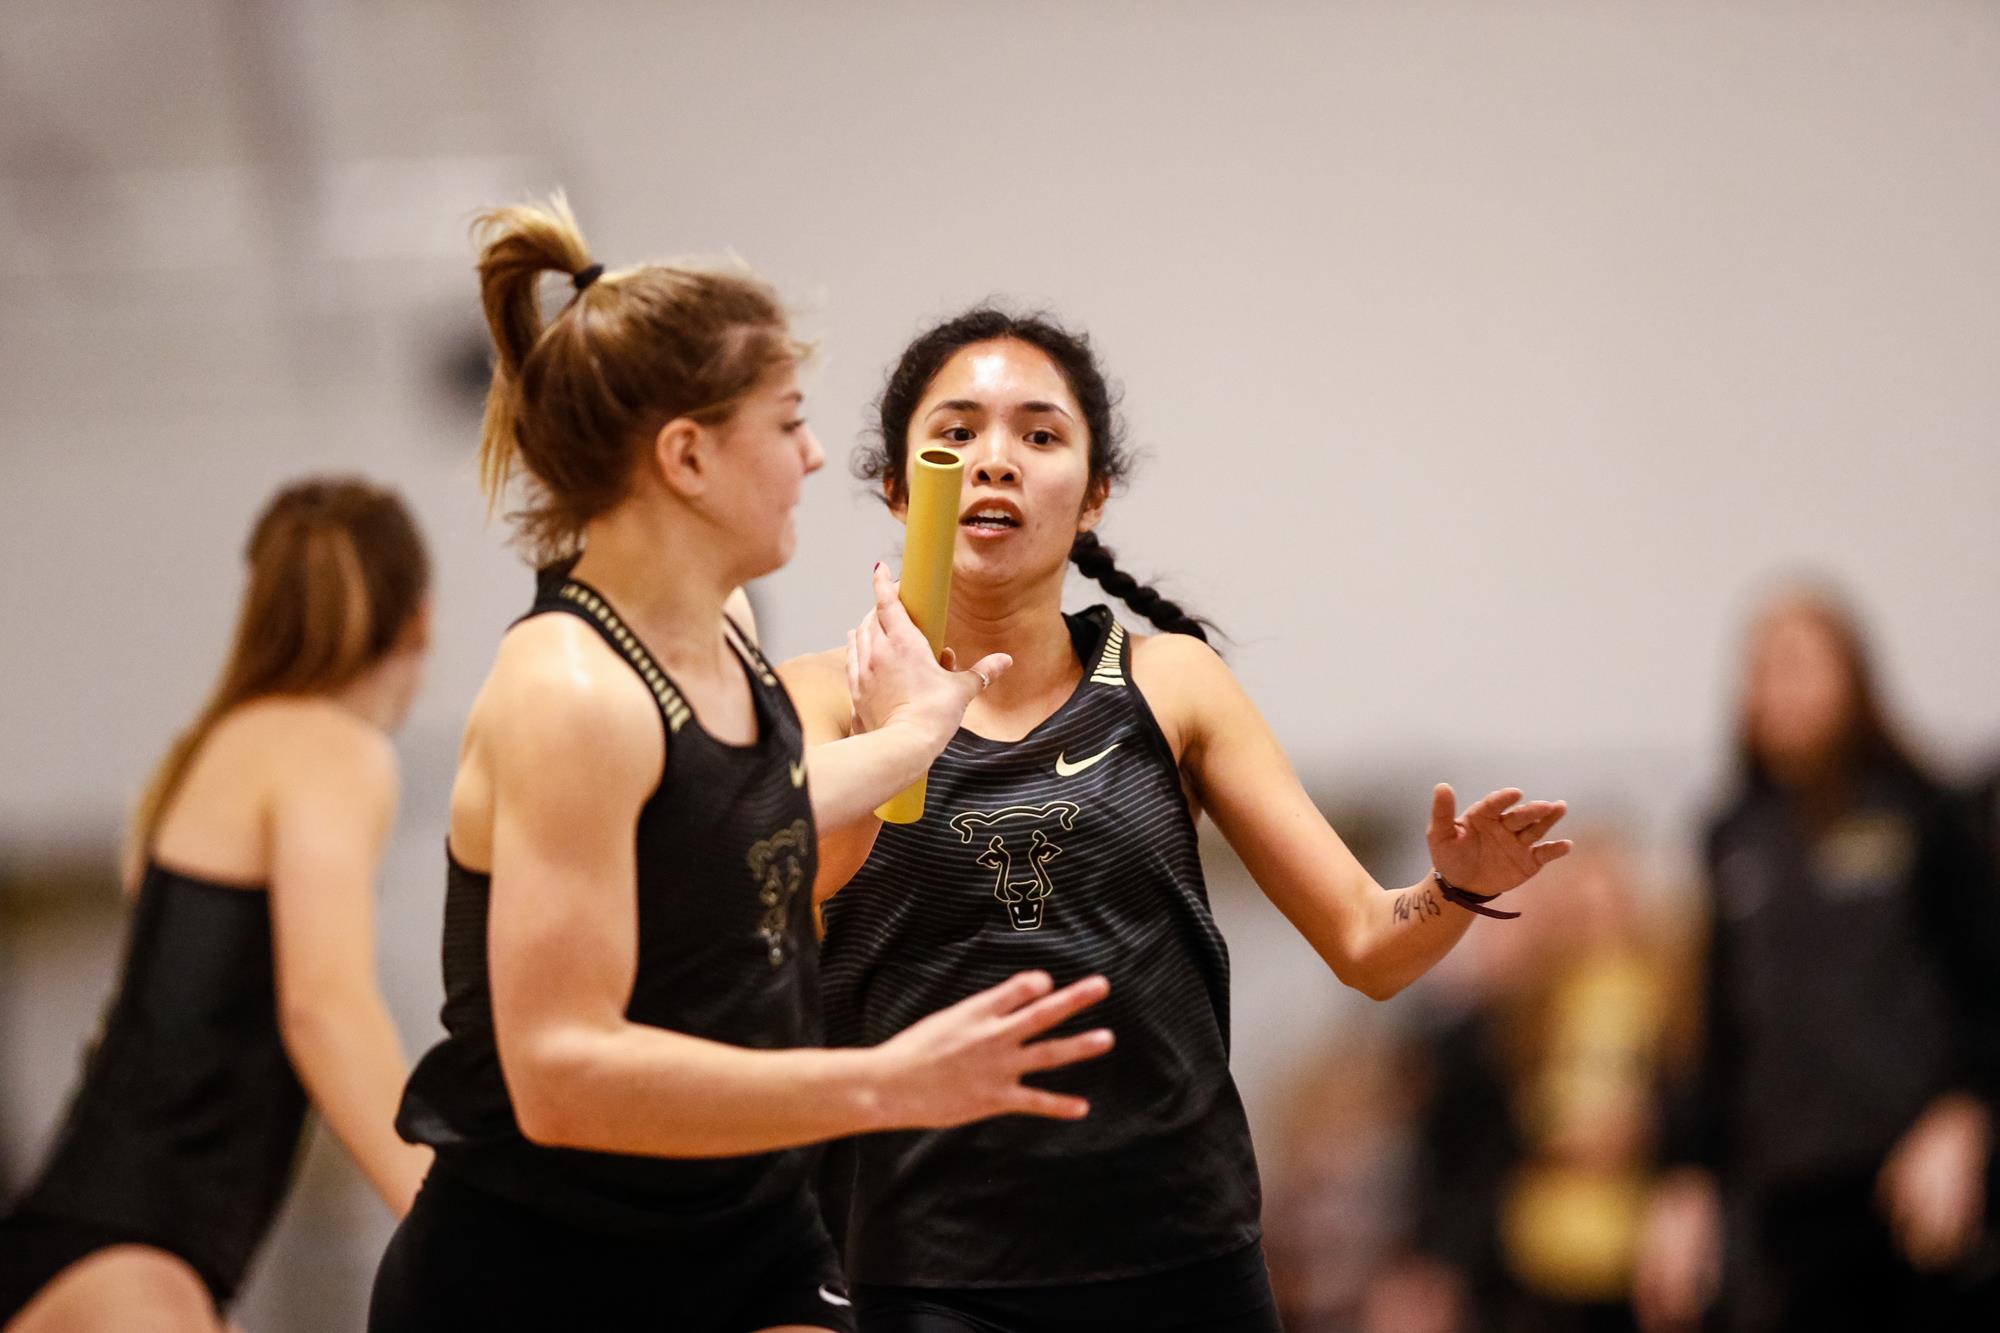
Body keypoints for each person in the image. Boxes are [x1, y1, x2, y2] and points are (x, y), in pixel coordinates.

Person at [368, 202, 1113, 1333]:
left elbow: (724, 819)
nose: (814, 453)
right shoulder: (568, 694)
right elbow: (561, 1073)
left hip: (738, 1215)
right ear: (687, 455)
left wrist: (908, 740)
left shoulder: (721, 623)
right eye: (788, 422)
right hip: (549, 1262)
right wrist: (882, 1083)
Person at [780, 307, 1573, 1332]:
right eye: (955, 432)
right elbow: (777, 917)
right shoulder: (812, 700)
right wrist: (895, 734)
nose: (993, 461)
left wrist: (1458, 886)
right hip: (923, 1270)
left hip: (1179, 1259)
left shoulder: (1171, 682)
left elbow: (1369, 945)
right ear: (896, 486)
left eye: (1038, 433)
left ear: (1094, 493)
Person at [0, 477, 436, 1332]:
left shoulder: (220, 744)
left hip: (84, 1244)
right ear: (418, 618)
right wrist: (449, 1216)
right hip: (137, 1260)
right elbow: (324, 1006)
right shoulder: (335, 747)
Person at [1634, 585, 2000, 1331]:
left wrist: (1966, 1117)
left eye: (1801, 666)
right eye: (1763, 670)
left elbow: (1986, 982)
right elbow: (1711, 1026)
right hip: (1781, 1198)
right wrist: (1686, 1178)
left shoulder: (1926, 812)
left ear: (1854, 678)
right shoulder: (1731, 834)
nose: (1780, 689)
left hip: (1912, 1180)